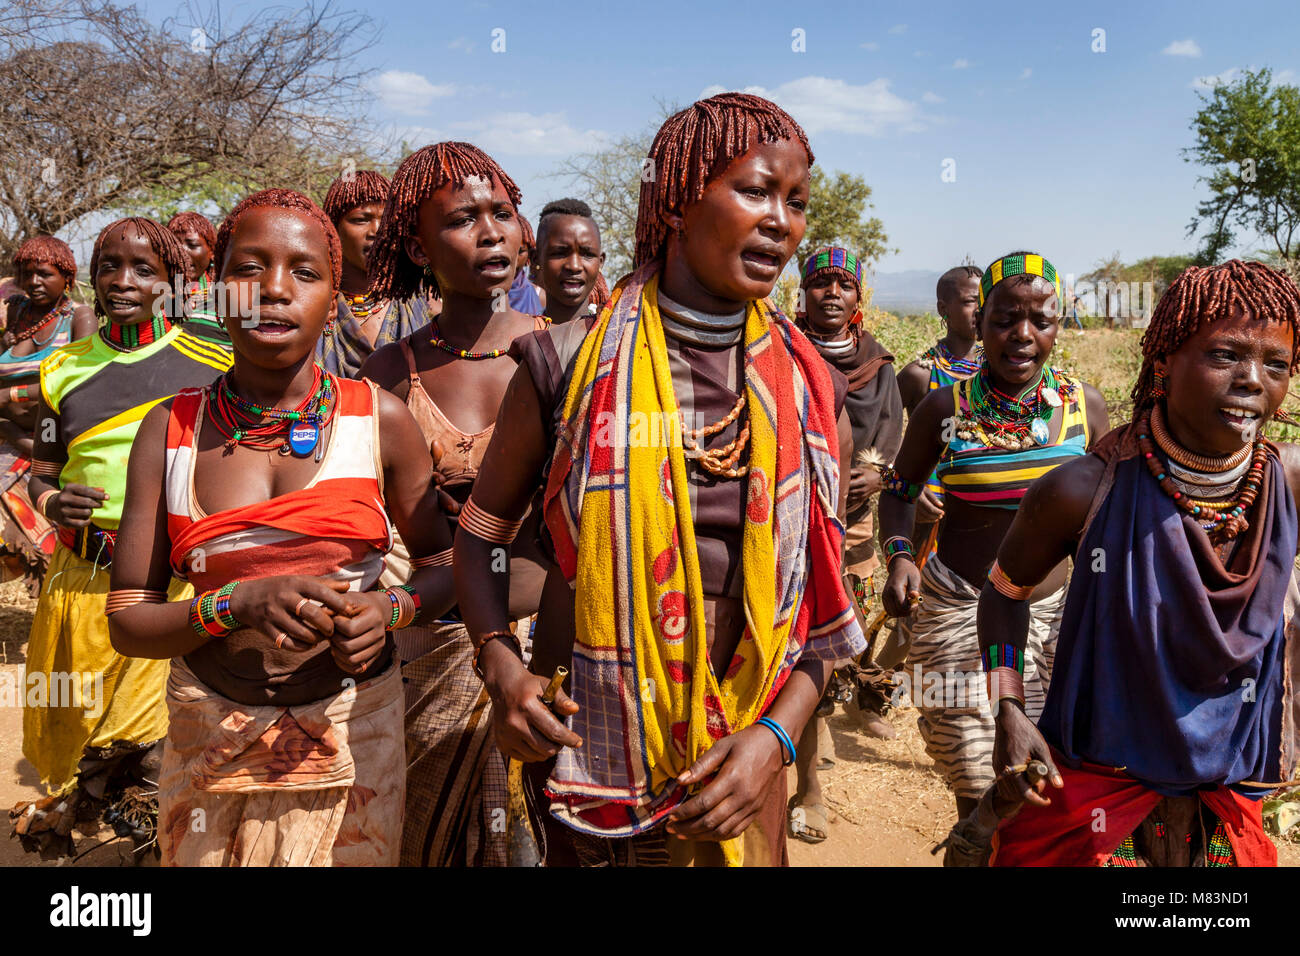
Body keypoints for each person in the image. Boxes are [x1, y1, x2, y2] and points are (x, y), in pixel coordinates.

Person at [457, 92, 865, 867]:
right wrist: (501, 668)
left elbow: (823, 605)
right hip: (590, 741)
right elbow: (480, 541)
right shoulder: (565, 364)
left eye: (798, 202)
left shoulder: (812, 389)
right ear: (677, 200)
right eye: (754, 190)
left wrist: (775, 740)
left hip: (745, 756)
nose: (781, 221)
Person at [107, 188, 455, 867]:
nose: (273, 290)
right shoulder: (169, 431)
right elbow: (127, 619)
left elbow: (445, 567)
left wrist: (390, 608)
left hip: (356, 737)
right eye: (249, 268)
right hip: (208, 737)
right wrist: (231, 605)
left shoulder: (378, 420)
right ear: (216, 291)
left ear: (334, 298)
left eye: (303, 272)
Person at [983, 260, 1300, 867]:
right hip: (1100, 789)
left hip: (1227, 803)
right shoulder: (1083, 489)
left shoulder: (1286, 481)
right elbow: (1003, 592)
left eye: (1276, 365)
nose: (1253, 381)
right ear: (1163, 363)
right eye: (1225, 356)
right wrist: (1009, 710)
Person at [11, 218, 232, 858]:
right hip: (81, 583)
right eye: (110, 265)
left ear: (173, 282)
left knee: (150, 745)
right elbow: (43, 470)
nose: (124, 282)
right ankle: (91, 821)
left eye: (144, 269)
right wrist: (53, 501)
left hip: (171, 583)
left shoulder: (211, 364)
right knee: (83, 731)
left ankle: (152, 850)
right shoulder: (63, 368)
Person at [360, 141, 551, 867]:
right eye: (464, 219)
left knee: (530, 839)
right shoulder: (390, 371)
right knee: (426, 837)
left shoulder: (562, 350)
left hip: (541, 636)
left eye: (502, 213)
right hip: (428, 639)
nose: (492, 231)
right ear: (416, 242)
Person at [877, 252, 1108, 824]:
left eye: (1041, 321)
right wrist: (901, 559)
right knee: (981, 779)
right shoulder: (943, 408)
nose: (1022, 336)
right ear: (980, 324)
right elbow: (899, 492)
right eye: (1005, 319)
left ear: (1057, 327)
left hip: (1056, 615)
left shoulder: (1084, 407)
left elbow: (1109, 514)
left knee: (1047, 775)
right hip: (959, 604)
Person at [787, 245, 903, 843]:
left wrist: (877, 469)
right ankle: (809, 763)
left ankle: (836, 705)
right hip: (794, 511)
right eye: (821, 283)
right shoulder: (783, 347)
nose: (832, 293)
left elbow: (890, 428)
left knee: (844, 621)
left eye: (844, 285)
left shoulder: (878, 365)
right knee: (802, 630)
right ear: (803, 293)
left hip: (852, 520)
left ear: (859, 298)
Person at [0, 237, 95, 592]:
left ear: (67, 277)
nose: (34, 281)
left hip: (53, 438)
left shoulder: (79, 318)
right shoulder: (16, 316)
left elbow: (75, 383)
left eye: (44, 274)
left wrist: (9, 396)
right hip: (9, 434)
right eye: (27, 274)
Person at [892, 265, 983, 581]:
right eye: (971, 300)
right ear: (943, 308)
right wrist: (911, 490)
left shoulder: (1001, 375)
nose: (980, 309)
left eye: (985, 299)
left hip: (983, 513)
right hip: (930, 512)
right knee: (921, 606)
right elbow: (882, 438)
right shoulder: (921, 375)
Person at [316, 169, 434, 378]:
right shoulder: (315, 307)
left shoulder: (424, 300)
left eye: (386, 220)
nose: (377, 231)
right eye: (361, 219)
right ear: (332, 230)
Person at [534, 198, 607, 325]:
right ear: (536, 259)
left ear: (600, 262)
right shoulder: (522, 340)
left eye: (587, 255)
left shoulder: (617, 337)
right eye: (559, 253)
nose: (574, 266)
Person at [167, 212, 228, 348]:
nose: (182, 253)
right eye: (174, 246)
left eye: (192, 245)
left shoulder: (227, 298)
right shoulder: (152, 297)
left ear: (212, 252)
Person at [507, 215, 543, 315]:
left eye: (520, 251)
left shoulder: (539, 295)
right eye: (509, 250)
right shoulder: (481, 296)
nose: (513, 258)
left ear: (529, 255)